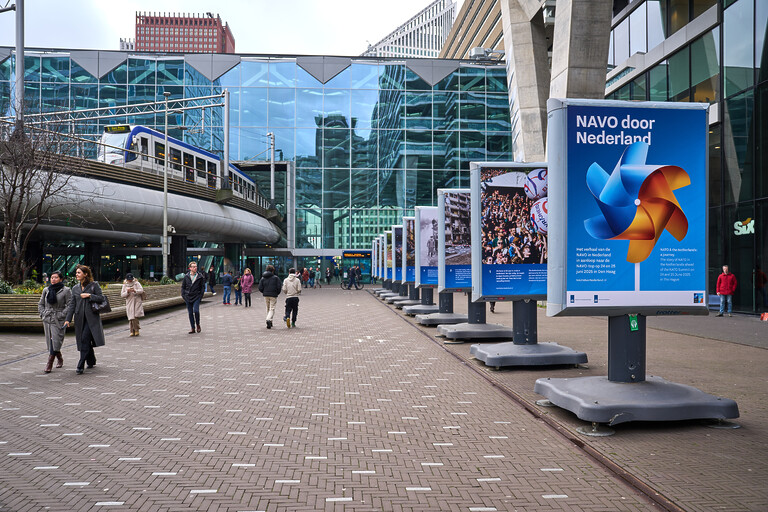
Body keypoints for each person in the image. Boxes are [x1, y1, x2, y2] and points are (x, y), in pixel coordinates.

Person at [64, 265, 106, 375]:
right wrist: (68, 319)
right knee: (85, 340)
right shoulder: (75, 288)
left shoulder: (94, 285)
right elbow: (72, 305)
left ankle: (80, 364)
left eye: (79, 272)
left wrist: (90, 295)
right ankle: (91, 360)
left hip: (91, 318)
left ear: (85, 274)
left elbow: (101, 298)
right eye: (76, 273)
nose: (76, 274)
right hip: (79, 319)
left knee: (84, 339)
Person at [38, 270, 73, 373]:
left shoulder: (66, 290)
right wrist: (43, 314)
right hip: (47, 318)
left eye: (56, 277)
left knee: (56, 340)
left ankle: (50, 362)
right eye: (52, 277)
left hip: (58, 319)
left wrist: (61, 315)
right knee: (50, 341)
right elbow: (41, 304)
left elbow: (70, 305)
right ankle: (59, 357)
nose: (53, 279)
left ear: (61, 279)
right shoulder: (46, 290)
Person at [181, 261, 206, 333]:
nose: (195, 268)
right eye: (194, 267)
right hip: (188, 297)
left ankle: (198, 324)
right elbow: (183, 287)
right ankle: (192, 327)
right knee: (190, 313)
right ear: (190, 268)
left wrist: (200, 296)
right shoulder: (186, 276)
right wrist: (183, 295)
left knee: (196, 311)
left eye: (196, 266)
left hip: (196, 296)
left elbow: (202, 287)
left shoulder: (200, 276)